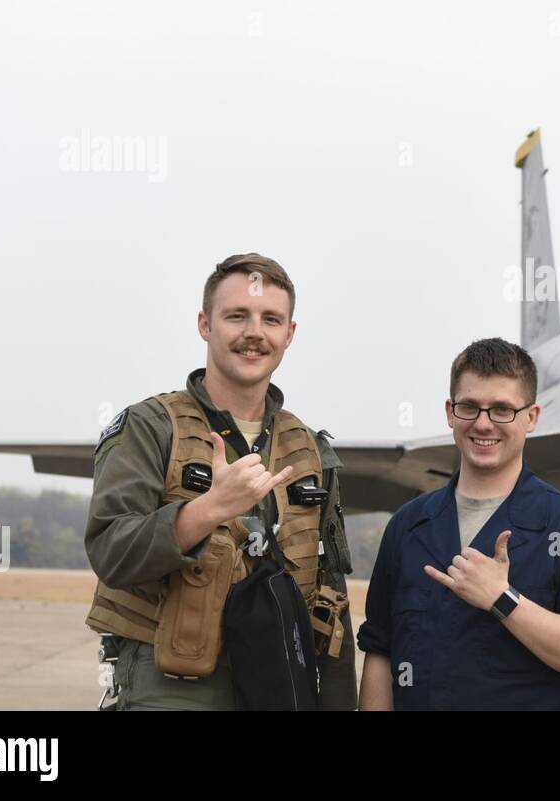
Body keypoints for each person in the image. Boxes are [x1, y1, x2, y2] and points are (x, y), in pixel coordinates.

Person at [84, 253, 357, 710]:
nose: (254, 333)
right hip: (173, 679)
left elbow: (331, 601)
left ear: (289, 335)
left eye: (271, 319)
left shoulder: (309, 449)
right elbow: (111, 551)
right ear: (205, 324)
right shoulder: (150, 427)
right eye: (237, 316)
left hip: (279, 682)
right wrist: (209, 508)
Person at [357, 337, 560, 710]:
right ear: (450, 412)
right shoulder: (409, 526)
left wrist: (504, 599)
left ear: (531, 417)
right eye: (470, 407)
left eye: (502, 410)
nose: (483, 424)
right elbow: (380, 650)